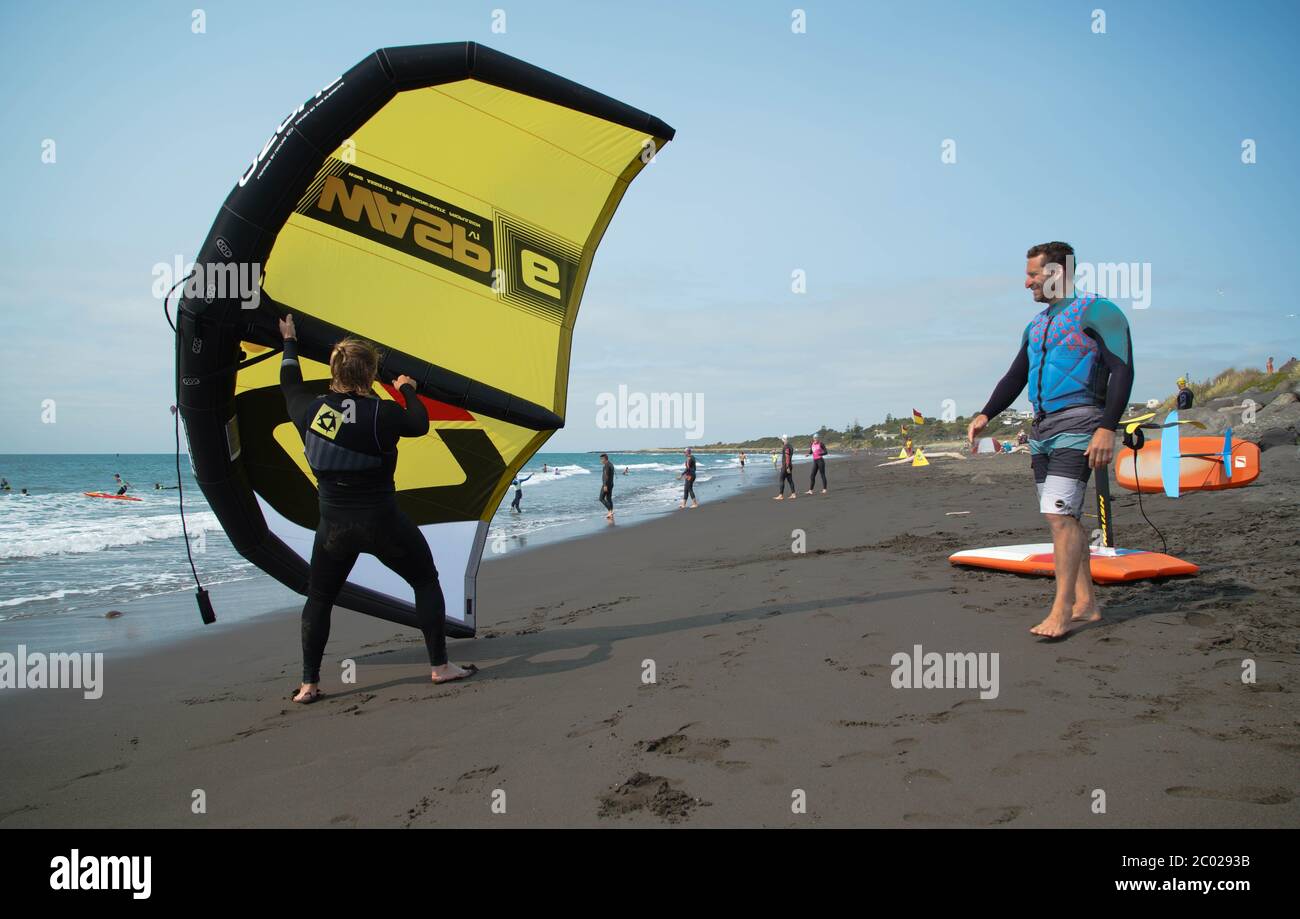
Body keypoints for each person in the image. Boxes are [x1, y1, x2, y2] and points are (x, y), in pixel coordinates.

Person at [277, 313, 472, 702]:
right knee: (424, 580)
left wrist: (289, 341)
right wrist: (407, 389)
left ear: (334, 371)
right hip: (384, 523)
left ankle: (309, 684)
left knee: (319, 598)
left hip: (333, 529)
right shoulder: (383, 413)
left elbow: (289, 381)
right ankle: (440, 667)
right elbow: (419, 424)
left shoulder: (307, 410)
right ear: (370, 373)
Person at [967, 242, 1134, 639]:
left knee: (1060, 518)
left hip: (1080, 425)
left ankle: (1060, 612)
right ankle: (1087, 604)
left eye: (1033, 275)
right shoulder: (1037, 325)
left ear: (1057, 272)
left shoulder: (1098, 311)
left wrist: (1107, 427)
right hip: (1042, 430)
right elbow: (1015, 376)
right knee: (1063, 517)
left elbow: (1122, 369)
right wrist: (986, 413)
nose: (1027, 283)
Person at [774, 435, 797, 500]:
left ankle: (781, 495)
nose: (782, 441)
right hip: (789, 465)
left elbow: (787, 457)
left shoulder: (786, 446)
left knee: (781, 479)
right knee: (790, 480)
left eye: (782, 440)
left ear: (783, 439)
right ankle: (793, 494)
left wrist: (786, 467)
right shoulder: (790, 446)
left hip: (786, 466)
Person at [599, 453, 614, 520]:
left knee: (601, 498)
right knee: (608, 498)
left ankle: (610, 511)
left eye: (601, 459)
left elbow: (606, 476)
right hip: (611, 484)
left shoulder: (607, 466)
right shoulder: (610, 464)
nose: (600, 461)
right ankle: (610, 512)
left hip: (606, 485)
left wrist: (605, 485)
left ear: (604, 459)